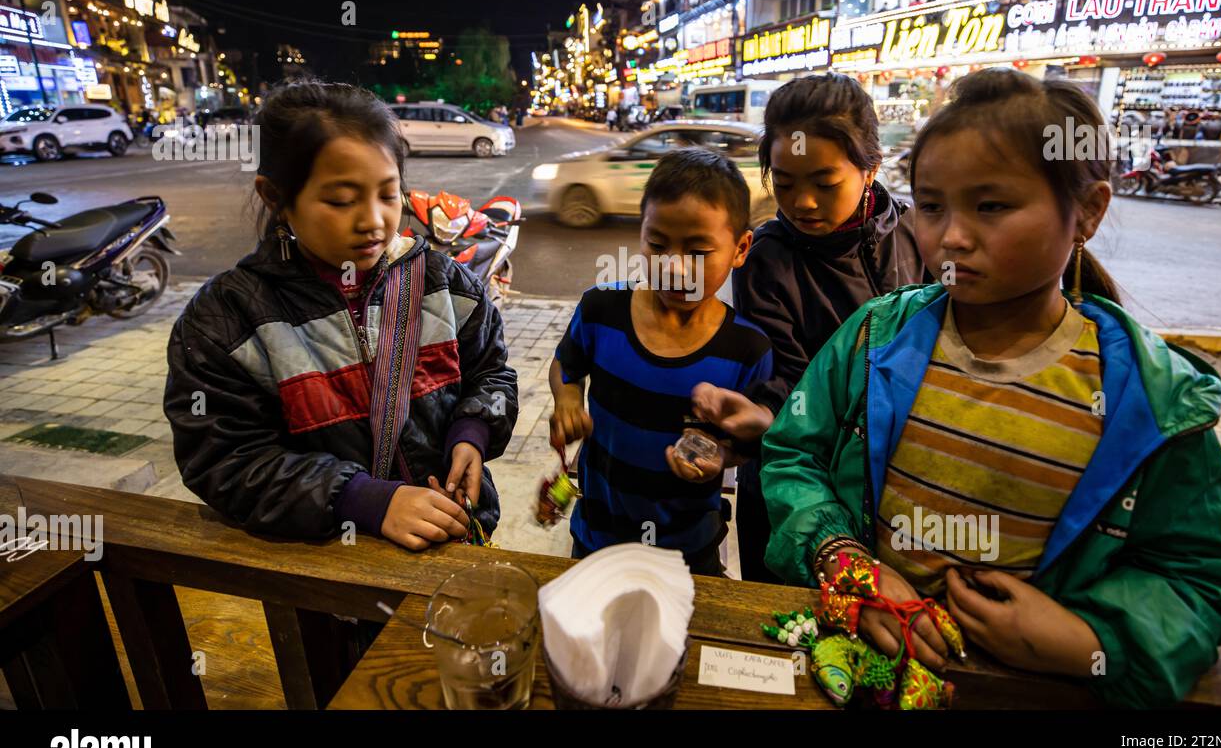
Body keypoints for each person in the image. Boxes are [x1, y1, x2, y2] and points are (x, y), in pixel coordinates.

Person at [761, 68, 1221, 708]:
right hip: (872, 668)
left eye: (991, 206)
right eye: (932, 206)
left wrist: (1087, 641)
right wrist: (847, 564)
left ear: (1089, 211)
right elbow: (792, 453)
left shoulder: (1151, 400)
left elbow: (1196, 580)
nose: (953, 237)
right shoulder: (874, 338)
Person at [165, 80, 518, 547]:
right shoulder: (227, 321)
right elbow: (224, 460)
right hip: (329, 571)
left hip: (454, 543)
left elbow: (492, 374)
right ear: (275, 196)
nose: (372, 220)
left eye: (388, 195)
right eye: (340, 201)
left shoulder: (444, 283)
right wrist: (360, 500)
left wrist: (473, 431)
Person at [691, 74, 926, 583]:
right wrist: (761, 416)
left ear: (871, 169)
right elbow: (784, 376)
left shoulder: (915, 234)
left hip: (897, 486)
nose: (803, 203)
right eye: (786, 181)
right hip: (790, 481)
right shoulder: (767, 257)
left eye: (825, 183)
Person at [548, 148, 773, 576]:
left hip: (690, 551)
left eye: (698, 250)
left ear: (741, 248)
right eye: (657, 244)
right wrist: (567, 400)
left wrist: (721, 458)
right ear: (641, 235)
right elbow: (566, 366)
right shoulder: (601, 310)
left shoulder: (749, 349)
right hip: (597, 538)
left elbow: (747, 444)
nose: (674, 266)